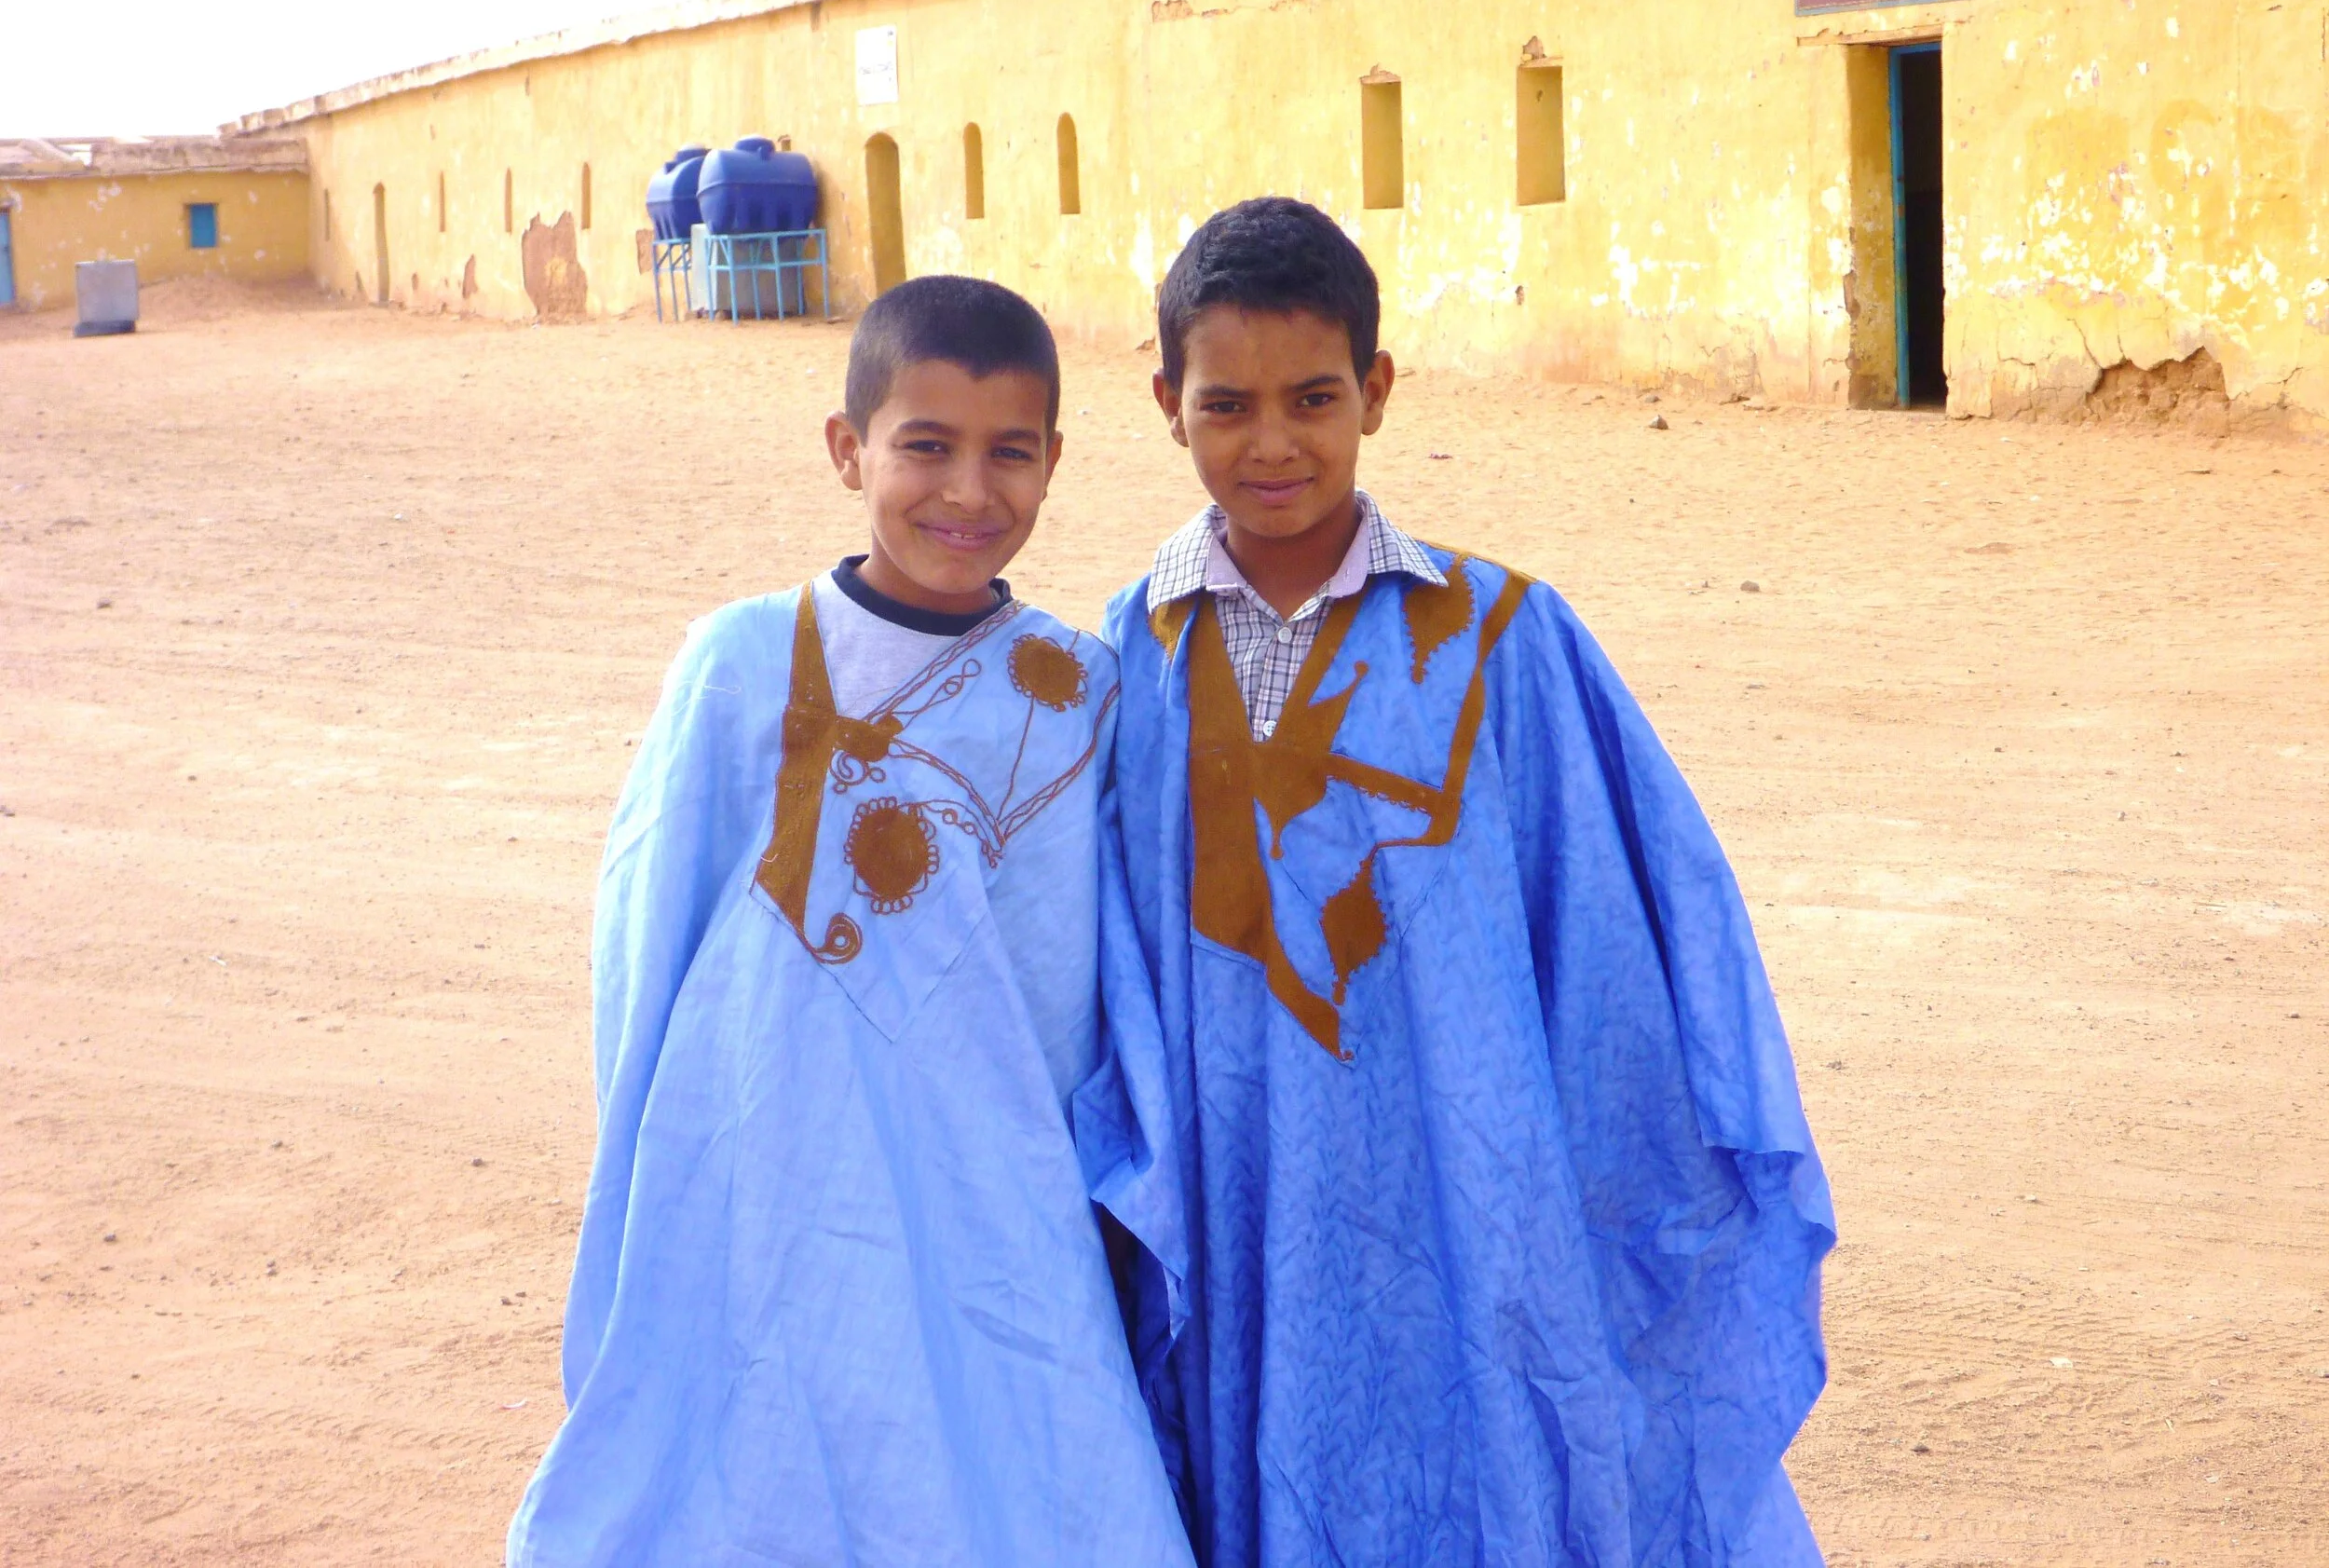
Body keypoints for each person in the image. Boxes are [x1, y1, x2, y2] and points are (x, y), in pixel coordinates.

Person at [1082, 198, 1836, 1566]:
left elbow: (1605, 939)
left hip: (1469, 1194)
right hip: (1235, 1195)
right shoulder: (1121, 664)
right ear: (1163, 404)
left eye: (1313, 397)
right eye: (1226, 404)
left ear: (1376, 390)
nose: (1271, 442)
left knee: (1497, 1459)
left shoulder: (1500, 636)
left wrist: (1602, 1192)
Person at [509, 276, 1192, 1568]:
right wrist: (658, 1169)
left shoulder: (1081, 690)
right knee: (766, 1442)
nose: (966, 492)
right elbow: (646, 945)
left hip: (993, 1176)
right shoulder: (740, 661)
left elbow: (1075, 968)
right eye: (924, 445)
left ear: (1056, 461)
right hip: (764, 1154)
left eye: (1009, 453)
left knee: (995, 1459)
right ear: (848, 449)